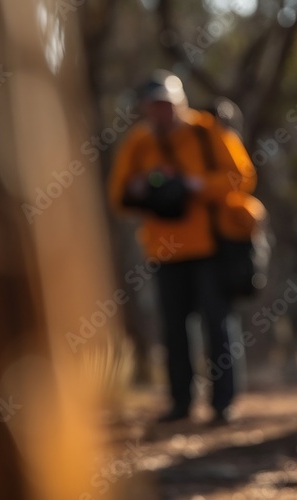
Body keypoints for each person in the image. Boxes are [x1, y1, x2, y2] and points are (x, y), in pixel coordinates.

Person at [108, 70, 257, 423]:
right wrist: (142, 188)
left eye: (167, 104)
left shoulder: (207, 131)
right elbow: (118, 195)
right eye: (154, 106)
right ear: (145, 109)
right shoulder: (139, 143)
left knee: (217, 325)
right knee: (173, 330)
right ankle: (180, 403)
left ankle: (223, 404)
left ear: (180, 102)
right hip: (164, 250)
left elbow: (243, 177)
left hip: (211, 247)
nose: (162, 112)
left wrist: (194, 185)